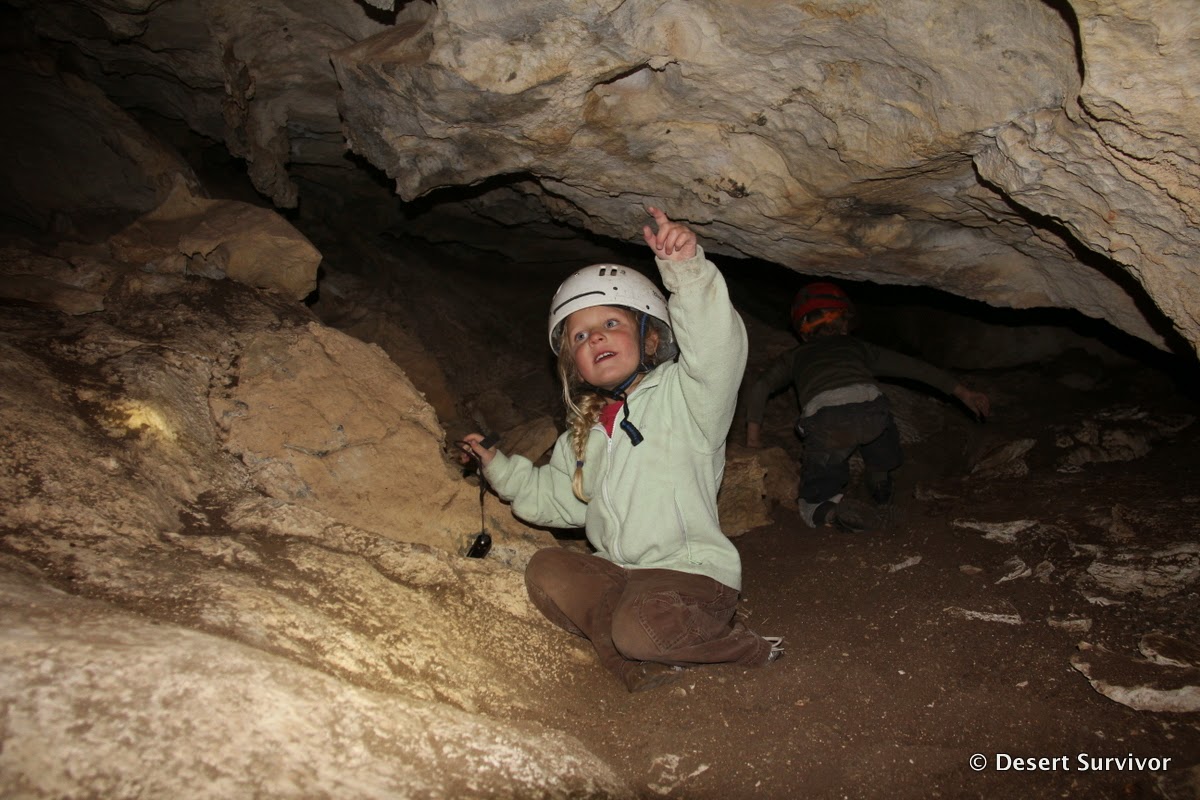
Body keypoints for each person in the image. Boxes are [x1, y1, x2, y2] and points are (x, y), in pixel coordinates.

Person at [459, 207, 782, 692]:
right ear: (575, 363)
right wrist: (498, 467)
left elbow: (718, 349)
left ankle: (743, 647)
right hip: (621, 574)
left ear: (650, 338)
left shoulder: (688, 398)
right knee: (547, 569)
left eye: (611, 322)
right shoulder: (582, 433)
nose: (596, 337)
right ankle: (636, 660)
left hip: (690, 575)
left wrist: (687, 272)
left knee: (639, 626)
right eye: (580, 336)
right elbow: (557, 499)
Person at [743, 281, 991, 531]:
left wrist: (753, 440)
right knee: (879, 438)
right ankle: (880, 485)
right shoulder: (858, 347)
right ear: (844, 323)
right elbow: (915, 368)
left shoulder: (795, 356)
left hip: (826, 420)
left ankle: (830, 512)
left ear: (803, 331)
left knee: (813, 498)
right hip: (872, 411)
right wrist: (964, 393)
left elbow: (761, 386)